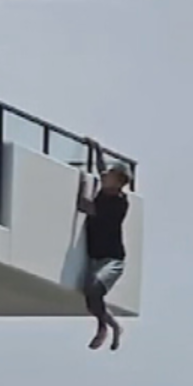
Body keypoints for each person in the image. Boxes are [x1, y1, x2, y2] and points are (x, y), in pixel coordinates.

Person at [77, 139, 131, 351]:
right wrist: (96, 149)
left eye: (111, 176)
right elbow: (101, 170)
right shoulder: (106, 189)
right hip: (94, 256)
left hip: (112, 260)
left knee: (94, 288)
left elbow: (85, 207)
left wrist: (82, 185)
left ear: (118, 182)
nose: (105, 176)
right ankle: (110, 326)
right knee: (91, 300)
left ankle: (107, 327)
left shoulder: (119, 203)